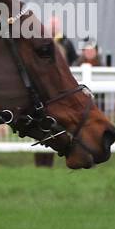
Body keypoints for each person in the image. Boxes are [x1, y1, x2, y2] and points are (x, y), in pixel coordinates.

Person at [33, 15, 78, 168]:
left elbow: (73, 62)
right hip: (43, 93)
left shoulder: (66, 43)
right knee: (41, 125)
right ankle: (41, 162)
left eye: (54, 25)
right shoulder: (40, 41)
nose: (52, 28)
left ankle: (60, 156)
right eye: (50, 25)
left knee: (57, 126)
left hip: (59, 92)